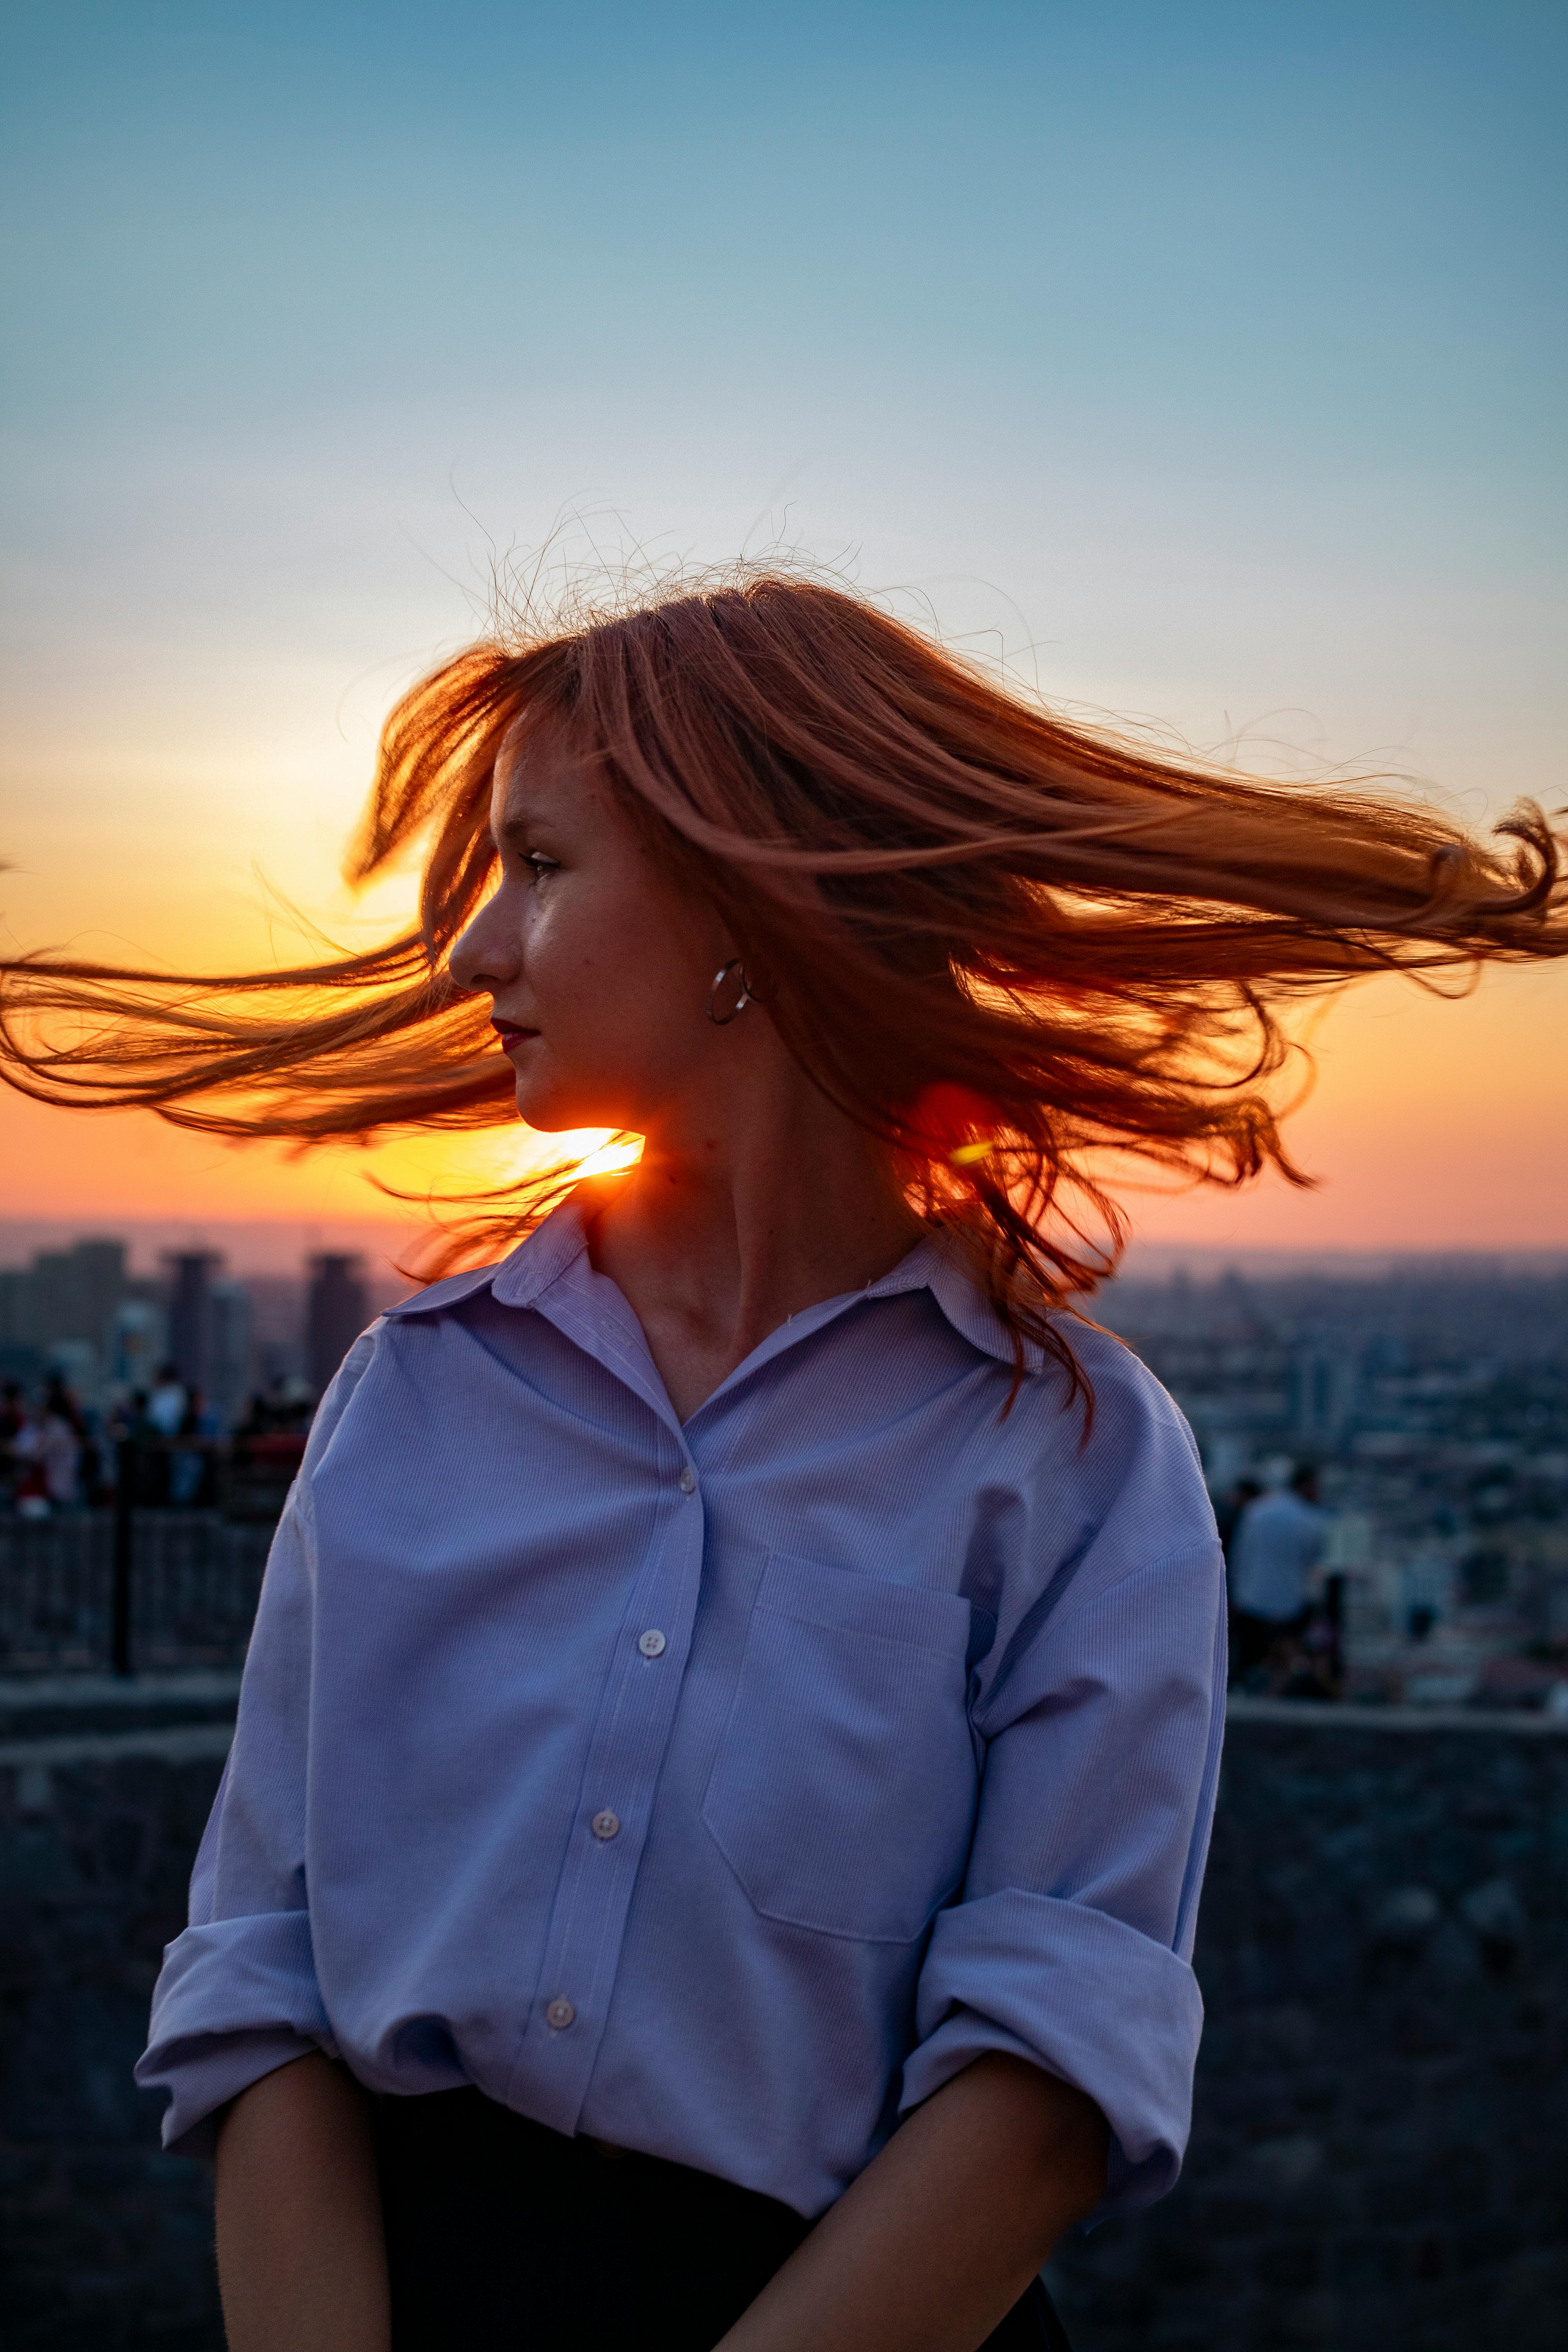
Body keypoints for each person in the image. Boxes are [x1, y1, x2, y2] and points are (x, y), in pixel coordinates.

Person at [2, 570, 1564, 2352]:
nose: (471, 951)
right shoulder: (407, 1397)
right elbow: (259, 1972)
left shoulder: (1067, 1455)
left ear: (741, 898)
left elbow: (1050, 2066)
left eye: (537, 861)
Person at [1227, 1465, 1328, 1686]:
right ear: (1306, 1486)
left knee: (1247, 1658)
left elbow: (1240, 1555)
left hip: (1250, 1597)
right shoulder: (1310, 1520)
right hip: (1288, 1601)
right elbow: (1312, 1561)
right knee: (1282, 1659)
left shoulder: (1257, 1510)